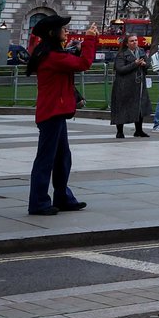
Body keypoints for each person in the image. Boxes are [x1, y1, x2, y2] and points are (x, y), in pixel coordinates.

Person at [25, 15, 98, 215]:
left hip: (55, 111)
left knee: (62, 157)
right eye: (62, 29)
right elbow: (84, 64)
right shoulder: (52, 57)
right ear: (52, 33)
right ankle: (39, 202)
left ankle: (63, 197)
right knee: (46, 159)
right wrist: (90, 39)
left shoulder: (49, 53)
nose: (66, 31)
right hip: (52, 112)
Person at [108, 33, 151, 139]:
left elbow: (147, 64)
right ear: (127, 44)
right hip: (124, 86)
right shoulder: (122, 54)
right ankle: (120, 131)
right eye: (132, 41)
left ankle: (139, 130)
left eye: (136, 40)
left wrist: (145, 64)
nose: (135, 42)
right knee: (122, 108)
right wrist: (135, 64)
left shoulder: (140, 51)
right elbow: (120, 69)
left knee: (139, 107)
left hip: (138, 84)